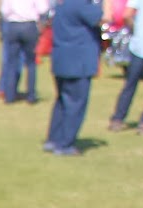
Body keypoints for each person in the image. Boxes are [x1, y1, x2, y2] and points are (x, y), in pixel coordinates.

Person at [44, 0, 104, 152]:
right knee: (75, 104)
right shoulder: (81, 5)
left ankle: (54, 139)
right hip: (77, 62)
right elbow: (104, 18)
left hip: (62, 58)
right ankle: (65, 144)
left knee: (62, 101)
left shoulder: (62, 4)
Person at [0, 0, 52, 104]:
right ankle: (31, 95)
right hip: (29, 25)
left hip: (13, 25)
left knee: (11, 63)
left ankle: (9, 96)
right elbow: (43, 9)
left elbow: (4, 10)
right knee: (31, 63)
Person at [107, 0, 143, 130]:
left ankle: (118, 119)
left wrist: (135, 29)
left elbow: (126, 15)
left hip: (139, 45)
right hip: (140, 46)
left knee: (130, 85)